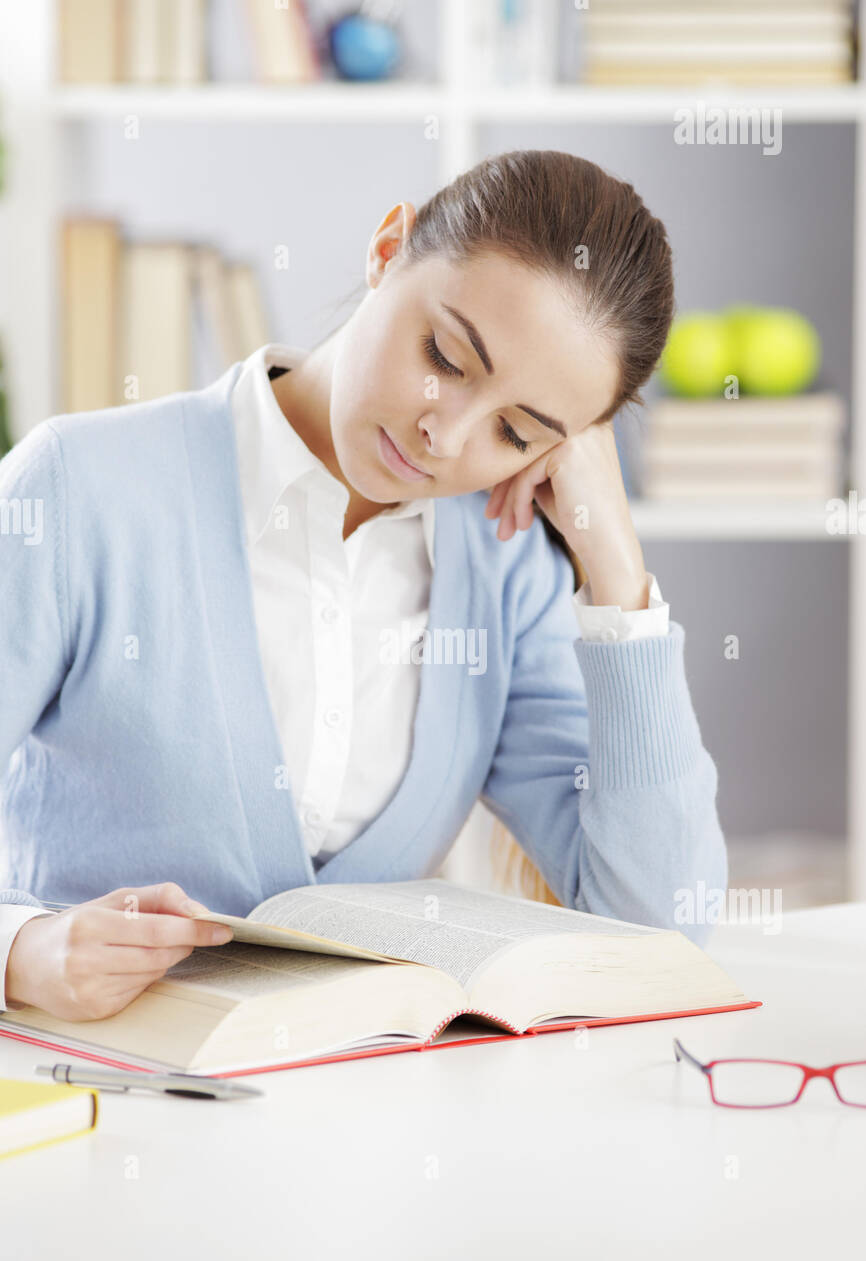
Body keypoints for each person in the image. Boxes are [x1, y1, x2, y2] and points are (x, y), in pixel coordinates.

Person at [0, 148, 725, 1024]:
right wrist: (22, 954)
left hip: (368, 1100)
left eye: (516, 431)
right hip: (92, 1085)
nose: (444, 435)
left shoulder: (506, 569)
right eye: (445, 357)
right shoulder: (78, 489)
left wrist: (617, 571)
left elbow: (657, 924)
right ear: (388, 249)